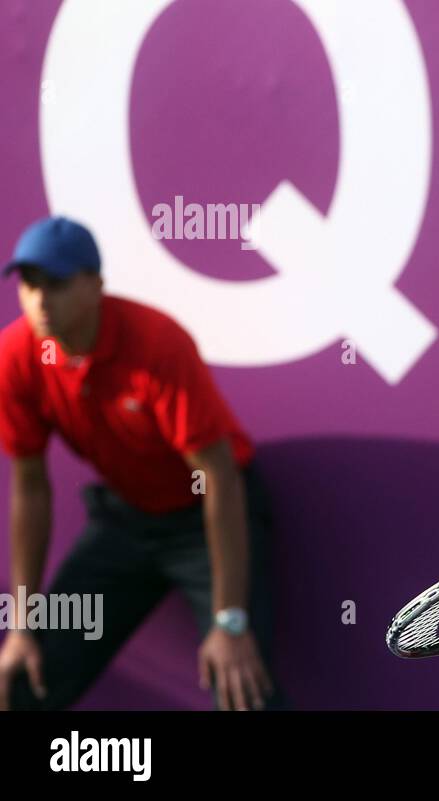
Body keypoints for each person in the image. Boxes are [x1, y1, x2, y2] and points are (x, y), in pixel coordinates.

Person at [0, 216, 281, 711]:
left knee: (243, 692)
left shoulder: (156, 343)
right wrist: (21, 625)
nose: (40, 299)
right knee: (23, 681)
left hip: (206, 517)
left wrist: (230, 621)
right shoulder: (17, 355)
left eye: (58, 283)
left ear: (96, 285)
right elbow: (30, 487)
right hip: (126, 520)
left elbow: (216, 479)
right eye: (30, 284)